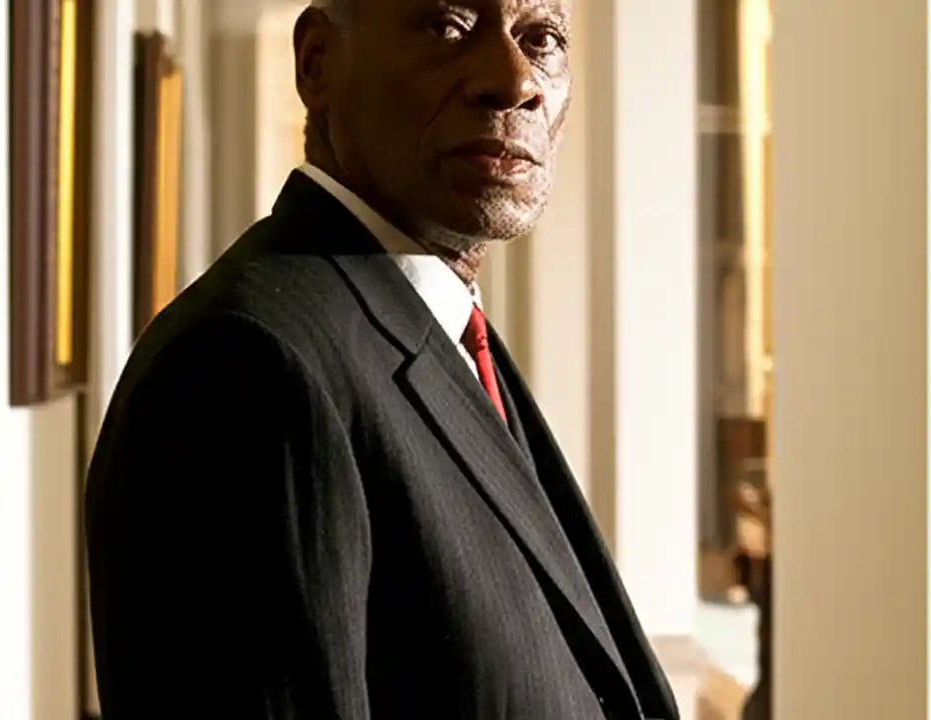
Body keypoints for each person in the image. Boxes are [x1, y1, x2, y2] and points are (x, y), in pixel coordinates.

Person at [85, 0, 677, 717]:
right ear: (318, 63)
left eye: (541, 37)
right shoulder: (250, 367)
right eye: (446, 26)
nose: (513, 79)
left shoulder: (435, 327)